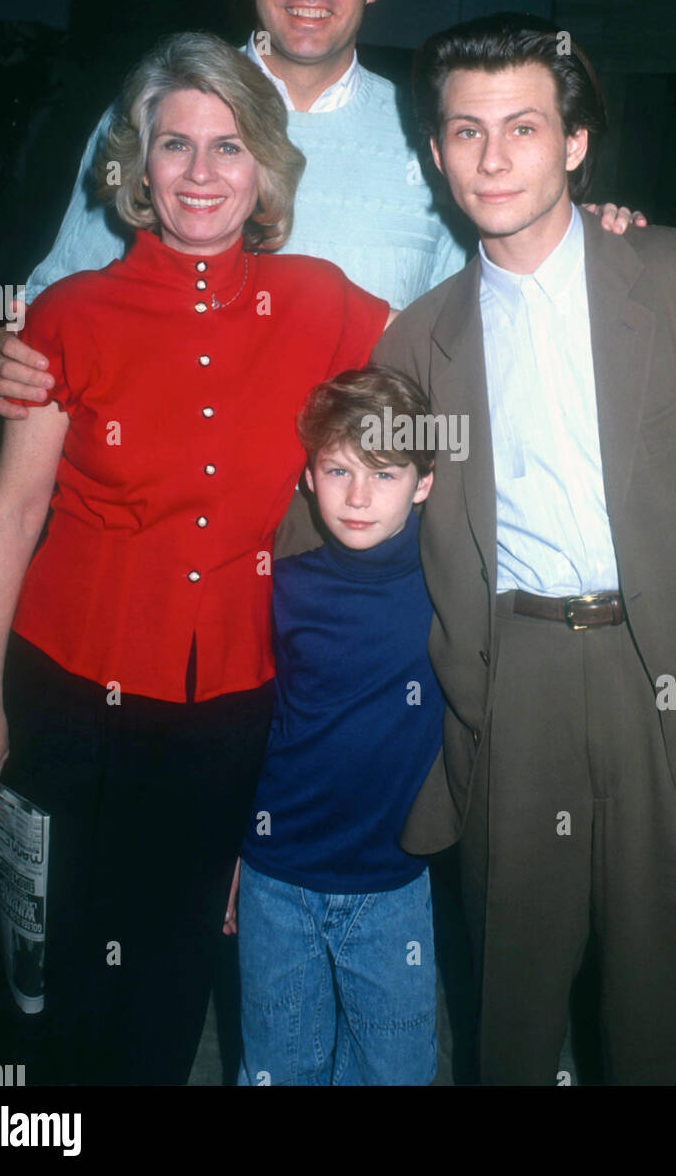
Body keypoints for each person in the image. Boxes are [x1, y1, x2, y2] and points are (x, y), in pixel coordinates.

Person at [367, 13, 676, 1085]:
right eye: (464, 131)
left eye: (523, 127)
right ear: (436, 153)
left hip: (672, 667)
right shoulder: (417, 338)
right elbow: (355, 514)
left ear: (574, 143)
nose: (492, 157)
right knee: (509, 993)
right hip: (512, 674)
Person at [0, 31, 391, 1086]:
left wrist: (582, 236)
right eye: (173, 145)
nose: (200, 173)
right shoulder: (69, 314)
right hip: (60, 689)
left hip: (228, 703)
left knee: (175, 965)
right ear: (134, 166)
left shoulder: (322, 302)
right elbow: (7, 516)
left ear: (264, 169)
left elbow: (463, 343)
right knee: (43, 967)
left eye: (228, 147)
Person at [0, 0, 643, 416]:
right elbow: (57, 296)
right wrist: (12, 350)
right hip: (168, 490)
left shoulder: (435, 136)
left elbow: (480, 311)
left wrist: (582, 232)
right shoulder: (156, 115)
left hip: (357, 512)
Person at [226, 366, 444, 1086]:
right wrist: (228, 853)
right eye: (337, 469)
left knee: (394, 1074)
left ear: (423, 483)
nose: (356, 496)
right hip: (275, 879)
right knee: (278, 1070)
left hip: (393, 887)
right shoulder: (280, 588)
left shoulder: (450, 594)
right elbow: (250, 732)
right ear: (307, 477)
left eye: (383, 473)